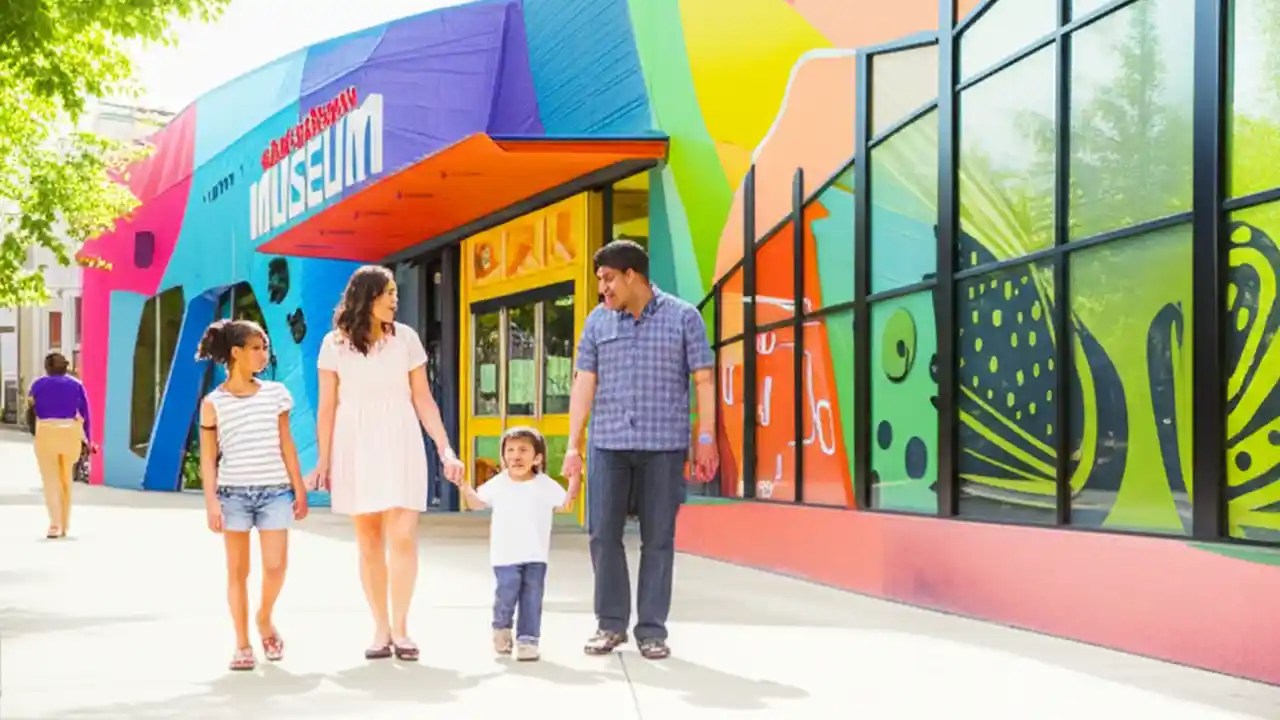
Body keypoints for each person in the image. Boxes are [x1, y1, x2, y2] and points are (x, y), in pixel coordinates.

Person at [562, 240, 719, 660]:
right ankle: (610, 624)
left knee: (659, 540)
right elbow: (584, 383)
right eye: (600, 280)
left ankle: (652, 629)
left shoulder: (684, 318)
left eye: (608, 279)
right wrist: (573, 445)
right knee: (602, 535)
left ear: (632, 276)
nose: (603, 289)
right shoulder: (597, 322)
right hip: (608, 445)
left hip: (663, 447)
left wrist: (706, 438)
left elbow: (703, 380)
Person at [308, 265, 465, 662]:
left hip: (400, 437)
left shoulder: (406, 339)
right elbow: (327, 407)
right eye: (388, 292)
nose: (395, 299)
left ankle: (401, 627)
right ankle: (380, 627)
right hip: (354, 440)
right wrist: (323, 459)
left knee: (403, 536)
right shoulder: (334, 344)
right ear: (367, 296)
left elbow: (423, 398)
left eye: (396, 292)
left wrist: (445, 448)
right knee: (369, 540)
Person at [195, 319, 310, 672]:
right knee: (237, 571)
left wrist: (298, 486)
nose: (264, 354)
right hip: (234, 496)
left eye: (265, 348)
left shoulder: (276, 393)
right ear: (236, 353)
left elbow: (286, 443)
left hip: (275, 492)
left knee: (276, 567)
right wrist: (211, 502)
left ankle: (264, 618)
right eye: (256, 348)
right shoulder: (213, 403)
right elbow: (208, 457)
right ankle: (242, 643)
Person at [455, 426, 569, 662]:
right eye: (511, 450)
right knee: (507, 591)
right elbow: (477, 503)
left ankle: (528, 640)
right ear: (504, 456)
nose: (516, 456)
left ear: (537, 457)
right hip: (505, 554)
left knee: (532, 596)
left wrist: (576, 480)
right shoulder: (499, 483)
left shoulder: (545, 484)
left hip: (536, 554)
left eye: (523, 450)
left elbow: (564, 504)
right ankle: (502, 628)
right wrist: (464, 485)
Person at [26, 352, 95, 539]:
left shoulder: (37, 385)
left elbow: (30, 410)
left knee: (51, 481)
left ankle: (55, 524)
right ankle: (64, 524)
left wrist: (34, 429)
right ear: (66, 367)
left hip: (46, 432)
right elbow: (86, 414)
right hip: (70, 433)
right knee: (66, 479)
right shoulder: (77, 385)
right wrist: (88, 440)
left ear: (47, 368)